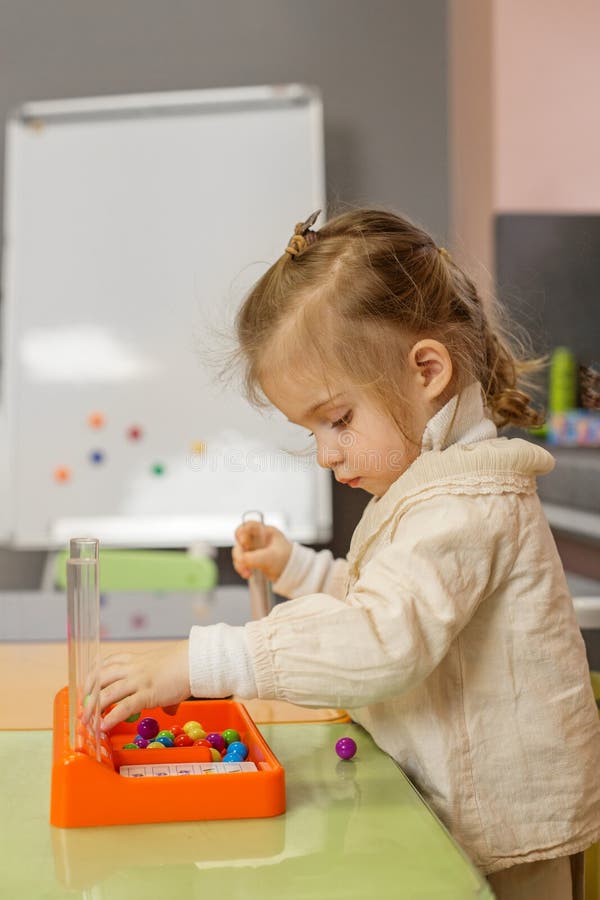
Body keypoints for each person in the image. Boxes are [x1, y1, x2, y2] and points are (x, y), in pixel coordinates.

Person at [97, 209, 600, 898]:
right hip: (462, 821)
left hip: (504, 842)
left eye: (337, 420)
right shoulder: (434, 491)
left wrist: (206, 660)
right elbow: (389, 603)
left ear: (427, 371)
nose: (328, 454)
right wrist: (297, 569)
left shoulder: (464, 506)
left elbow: (383, 640)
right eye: (314, 432)